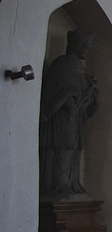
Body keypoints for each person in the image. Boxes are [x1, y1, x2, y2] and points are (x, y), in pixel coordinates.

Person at [39, 30, 99, 200]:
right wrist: (71, 103)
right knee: (62, 147)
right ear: (75, 45)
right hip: (62, 118)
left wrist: (90, 96)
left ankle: (71, 183)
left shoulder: (80, 66)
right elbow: (59, 88)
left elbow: (82, 92)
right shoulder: (63, 63)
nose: (87, 50)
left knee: (73, 149)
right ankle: (57, 184)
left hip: (76, 118)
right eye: (85, 47)